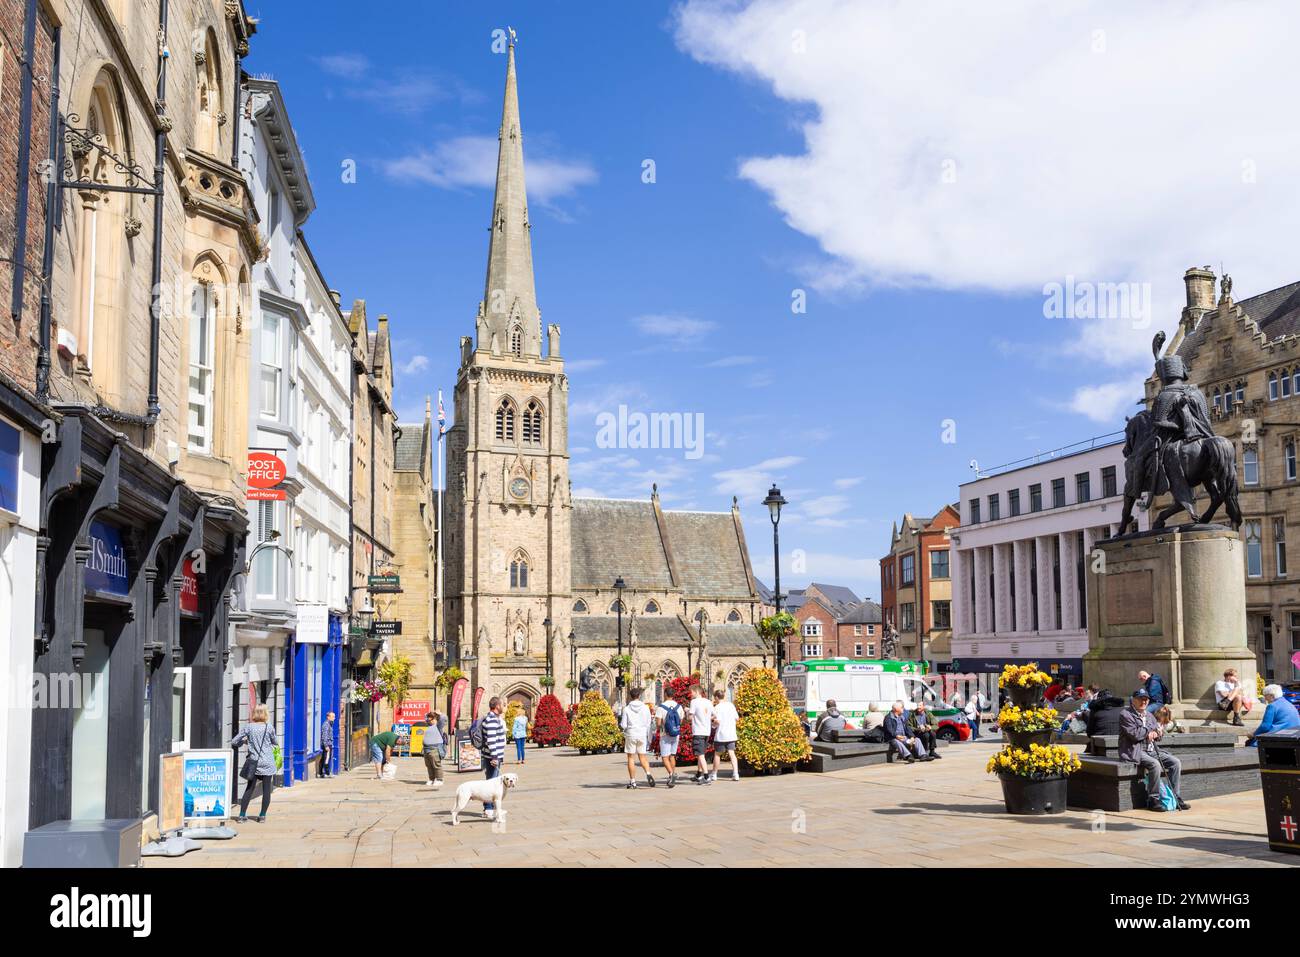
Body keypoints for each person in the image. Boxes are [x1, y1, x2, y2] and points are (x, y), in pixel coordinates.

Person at [1119, 688, 1189, 812]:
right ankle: (1153, 800)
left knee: (1175, 762)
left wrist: (1158, 733)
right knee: (1155, 765)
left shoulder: (1150, 715)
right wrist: (1148, 732)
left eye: (1146, 699)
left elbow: (1157, 733)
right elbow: (1134, 734)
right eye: (1141, 699)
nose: (1144, 702)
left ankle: (1175, 797)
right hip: (1135, 750)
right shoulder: (1126, 714)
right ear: (1133, 700)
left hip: (1151, 750)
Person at [233, 704, 279, 822]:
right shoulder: (269, 727)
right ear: (265, 714)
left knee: (249, 788)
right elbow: (275, 742)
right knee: (266, 790)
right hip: (268, 762)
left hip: (254, 762)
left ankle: (242, 815)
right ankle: (262, 815)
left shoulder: (249, 727)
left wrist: (245, 742)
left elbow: (234, 741)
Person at [620, 686, 656, 789]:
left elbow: (623, 725)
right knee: (642, 757)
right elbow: (648, 722)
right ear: (639, 696)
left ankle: (633, 781)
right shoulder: (645, 708)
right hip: (641, 734)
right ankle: (648, 773)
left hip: (631, 734)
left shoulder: (626, 709)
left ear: (630, 697)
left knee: (631, 757)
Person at [479, 697, 507, 819]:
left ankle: (492, 808)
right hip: (492, 757)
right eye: (503, 704)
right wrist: (495, 757)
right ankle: (488, 809)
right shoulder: (491, 720)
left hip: (493, 756)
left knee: (492, 782)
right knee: (491, 784)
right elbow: (491, 740)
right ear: (497, 706)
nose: (504, 707)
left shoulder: (494, 718)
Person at [656, 693, 686, 787]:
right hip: (675, 734)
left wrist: (662, 727)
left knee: (665, 757)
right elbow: (681, 720)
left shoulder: (661, 707)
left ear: (665, 695)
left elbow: (658, 723)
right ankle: (672, 774)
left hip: (665, 734)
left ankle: (671, 774)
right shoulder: (678, 706)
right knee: (672, 756)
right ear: (672, 695)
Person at [710, 690, 740, 782]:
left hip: (721, 734)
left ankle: (714, 774)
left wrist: (712, 723)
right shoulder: (731, 705)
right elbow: (737, 718)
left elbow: (716, 722)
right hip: (731, 734)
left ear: (716, 697)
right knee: (732, 754)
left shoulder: (717, 708)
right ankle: (735, 774)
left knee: (717, 754)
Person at [688, 684, 715, 785]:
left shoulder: (694, 702)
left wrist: (687, 712)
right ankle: (699, 775)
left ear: (696, 692)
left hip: (698, 731)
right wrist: (706, 718)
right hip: (706, 731)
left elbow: (690, 718)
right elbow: (714, 715)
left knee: (700, 754)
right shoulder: (708, 701)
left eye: (691, 692)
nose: (690, 694)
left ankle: (706, 777)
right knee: (702, 754)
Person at [423, 711, 445, 788]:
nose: (429, 720)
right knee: (429, 765)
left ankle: (439, 779)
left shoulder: (438, 726)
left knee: (436, 764)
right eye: (429, 719)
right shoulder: (428, 726)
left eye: (431, 719)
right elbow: (425, 717)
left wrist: (439, 714)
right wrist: (430, 714)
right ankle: (431, 779)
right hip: (426, 749)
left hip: (434, 748)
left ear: (435, 719)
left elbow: (443, 719)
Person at [317, 711, 335, 778]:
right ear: (328, 717)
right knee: (326, 759)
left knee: (324, 758)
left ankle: (321, 773)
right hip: (327, 744)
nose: (334, 718)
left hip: (328, 744)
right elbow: (324, 736)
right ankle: (327, 773)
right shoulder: (326, 725)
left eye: (334, 716)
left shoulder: (329, 724)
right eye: (332, 716)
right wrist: (326, 745)